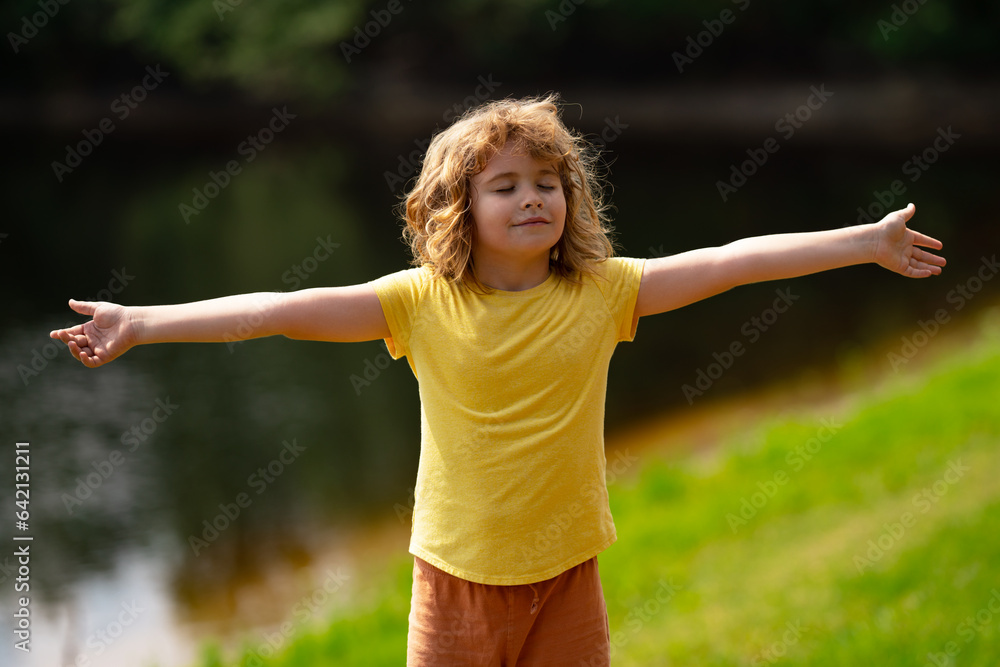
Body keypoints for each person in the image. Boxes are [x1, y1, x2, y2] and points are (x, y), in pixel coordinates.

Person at [50, 94, 945, 666]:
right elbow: (283, 308)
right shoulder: (420, 301)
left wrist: (861, 243)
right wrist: (143, 323)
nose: (533, 199)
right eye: (505, 185)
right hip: (457, 582)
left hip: (566, 575)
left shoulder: (604, 292)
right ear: (457, 210)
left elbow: (729, 261)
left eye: (549, 181)